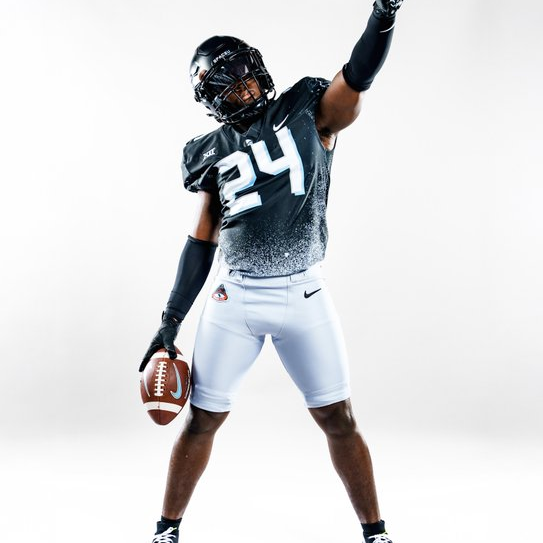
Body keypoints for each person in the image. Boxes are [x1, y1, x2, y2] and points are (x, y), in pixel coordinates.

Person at [140, 1, 404, 541]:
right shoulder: (209, 152)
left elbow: (358, 75)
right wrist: (170, 321)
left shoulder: (308, 109)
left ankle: (375, 532)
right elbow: (201, 240)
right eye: (229, 82)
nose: (245, 85)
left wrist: (384, 13)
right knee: (201, 419)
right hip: (233, 300)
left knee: (339, 418)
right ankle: (166, 529)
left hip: (305, 294)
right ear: (213, 100)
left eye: (245, 72)